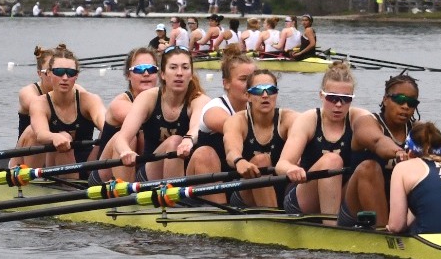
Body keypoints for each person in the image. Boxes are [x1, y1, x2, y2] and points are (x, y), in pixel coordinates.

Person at [275, 61, 407, 225]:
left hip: (342, 196)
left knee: (370, 167)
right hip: (303, 199)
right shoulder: (308, 120)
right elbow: (282, 164)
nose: (338, 104)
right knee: (332, 160)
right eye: (332, 98)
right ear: (321, 95)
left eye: (345, 99)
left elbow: (377, 139)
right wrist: (292, 168)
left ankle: (384, 229)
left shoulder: (360, 118)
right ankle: (331, 230)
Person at [104, 46, 206, 182]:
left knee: (182, 143)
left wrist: (188, 139)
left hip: (185, 169)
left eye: (185, 68)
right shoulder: (147, 98)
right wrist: (125, 151)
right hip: (149, 171)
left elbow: (195, 127)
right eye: (173, 67)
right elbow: (122, 138)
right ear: (163, 74)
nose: (179, 73)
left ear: (191, 74)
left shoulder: (200, 100)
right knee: (174, 141)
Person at [340, 72, 420, 228]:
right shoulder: (366, 122)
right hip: (354, 209)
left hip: (394, 205)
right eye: (400, 100)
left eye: (411, 103)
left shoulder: (417, 130)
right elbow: (378, 141)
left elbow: (440, 153)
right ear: (385, 100)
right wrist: (399, 153)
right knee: (369, 168)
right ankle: (384, 233)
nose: (405, 106)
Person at [184, 44, 258, 201]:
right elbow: (236, 126)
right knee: (205, 154)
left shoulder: (264, 108)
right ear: (226, 83)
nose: (251, 85)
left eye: (254, 79)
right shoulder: (214, 109)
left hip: (239, 183)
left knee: (262, 159)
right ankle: (220, 215)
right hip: (205, 185)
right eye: (244, 79)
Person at [222, 65, 299, 209]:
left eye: (270, 90)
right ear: (248, 96)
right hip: (244, 194)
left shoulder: (290, 119)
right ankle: (274, 223)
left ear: (276, 94)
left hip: (283, 189)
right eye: (258, 90)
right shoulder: (237, 121)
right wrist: (240, 161)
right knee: (261, 160)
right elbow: (231, 151)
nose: (265, 95)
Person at [20, 44, 109, 166]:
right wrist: (56, 137)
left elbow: (104, 120)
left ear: (76, 75)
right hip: (40, 154)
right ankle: (29, 179)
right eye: (59, 72)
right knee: (35, 131)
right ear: (48, 73)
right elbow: (40, 133)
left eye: (71, 73)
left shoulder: (88, 98)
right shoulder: (36, 99)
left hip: (83, 160)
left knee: (109, 131)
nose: (65, 77)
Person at [98, 47, 163, 165]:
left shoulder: (163, 101)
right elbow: (146, 118)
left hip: (143, 167)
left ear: (158, 74)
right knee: (131, 137)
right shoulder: (120, 103)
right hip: (106, 171)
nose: (146, 73)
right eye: (139, 70)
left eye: (151, 69)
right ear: (128, 75)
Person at [17, 46, 59, 137]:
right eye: (50, 71)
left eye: (59, 70)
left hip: (62, 146)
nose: (56, 75)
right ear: (39, 73)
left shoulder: (75, 89)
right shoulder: (28, 92)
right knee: (31, 130)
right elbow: (40, 107)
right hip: (30, 147)